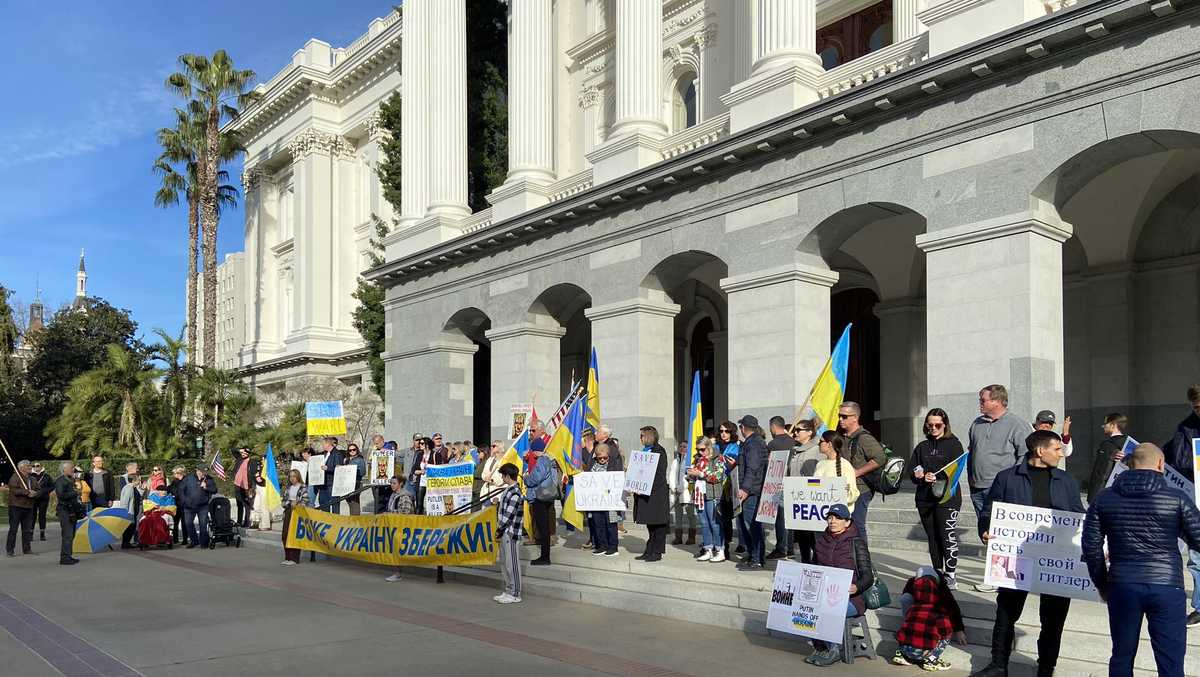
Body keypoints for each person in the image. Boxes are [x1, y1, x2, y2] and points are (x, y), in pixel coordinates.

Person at [970, 429, 1084, 677]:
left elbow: (1078, 517)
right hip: (1016, 557)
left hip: (1056, 561)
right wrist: (986, 530)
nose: (1061, 453)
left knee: (1053, 619)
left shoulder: (1067, 481)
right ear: (1040, 451)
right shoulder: (1007, 478)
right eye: (1057, 448)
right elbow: (989, 512)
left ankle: (1046, 668)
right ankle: (998, 664)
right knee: (1006, 613)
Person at [1082, 442, 1200, 677]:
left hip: (1122, 584)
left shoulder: (1104, 498)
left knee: (1122, 656)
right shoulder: (1176, 497)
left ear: (1129, 464)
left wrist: (1103, 584)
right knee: (1171, 661)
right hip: (1167, 585)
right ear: (1160, 464)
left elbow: (1091, 547)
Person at [806, 503, 875, 667]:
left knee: (828, 609)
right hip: (825, 594)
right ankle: (822, 647)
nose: (832, 521)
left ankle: (833, 650)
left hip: (852, 599)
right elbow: (814, 568)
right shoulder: (821, 541)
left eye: (837, 518)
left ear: (847, 522)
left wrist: (856, 587)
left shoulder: (856, 543)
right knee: (809, 607)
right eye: (830, 517)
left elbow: (868, 576)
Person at [909, 408, 965, 589]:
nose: (933, 428)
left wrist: (938, 477)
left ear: (945, 425)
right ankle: (937, 571)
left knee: (946, 536)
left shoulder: (953, 444)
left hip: (947, 498)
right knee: (932, 537)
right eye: (930, 424)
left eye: (937, 425)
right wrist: (919, 475)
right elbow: (912, 472)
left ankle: (951, 575)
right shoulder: (922, 447)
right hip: (925, 498)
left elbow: (955, 471)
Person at [1161, 385, 1200, 627]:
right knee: (1196, 556)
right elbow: (1172, 458)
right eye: (1196, 407)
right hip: (1194, 497)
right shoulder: (1185, 428)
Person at [892, 565, 967, 671]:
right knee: (946, 632)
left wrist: (959, 628)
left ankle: (902, 655)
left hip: (907, 647)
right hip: (924, 649)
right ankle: (931, 660)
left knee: (907, 629)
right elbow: (946, 630)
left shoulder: (912, 610)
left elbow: (952, 605)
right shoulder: (939, 611)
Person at [838, 401, 887, 543]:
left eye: (844, 416)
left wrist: (858, 472)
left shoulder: (864, 437)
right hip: (848, 489)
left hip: (861, 489)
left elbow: (880, 457)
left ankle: (863, 561)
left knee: (857, 526)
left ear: (855, 417)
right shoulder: (845, 437)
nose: (840, 419)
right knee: (847, 526)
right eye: (839, 416)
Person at [736, 415, 768, 570]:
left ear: (743, 428)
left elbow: (753, 468)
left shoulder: (754, 443)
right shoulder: (751, 442)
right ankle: (753, 554)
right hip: (750, 490)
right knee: (745, 524)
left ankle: (757, 558)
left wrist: (745, 489)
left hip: (752, 491)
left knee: (753, 525)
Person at [633, 426, 670, 562]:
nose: (640, 438)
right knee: (650, 524)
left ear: (648, 436)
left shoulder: (659, 451)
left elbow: (659, 475)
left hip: (656, 494)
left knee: (658, 525)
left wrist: (644, 486)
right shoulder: (644, 451)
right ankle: (649, 549)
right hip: (645, 494)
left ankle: (657, 552)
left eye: (642, 435)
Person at [687, 436, 726, 562]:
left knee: (714, 523)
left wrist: (701, 474)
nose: (700, 452)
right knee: (704, 523)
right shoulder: (699, 460)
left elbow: (718, 476)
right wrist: (691, 475)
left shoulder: (718, 458)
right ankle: (708, 549)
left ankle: (720, 550)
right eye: (698, 450)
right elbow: (696, 476)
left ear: (709, 447)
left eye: (703, 449)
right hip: (700, 494)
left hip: (713, 494)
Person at [789, 420, 822, 563]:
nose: (795, 432)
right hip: (798, 499)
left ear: (809, 432)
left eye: (799, 430)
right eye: (795, 430)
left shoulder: (817, 450)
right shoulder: (794, 450)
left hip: (812, 499)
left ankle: (817, 562)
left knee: (814, 536)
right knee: (802, 535)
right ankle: (805, 561)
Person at [494, 463, 525, 604]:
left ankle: (515, 593)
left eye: (502, 475)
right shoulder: (508, 491)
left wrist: (499, 528)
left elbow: (509, 514)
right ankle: (508, 590)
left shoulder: (515, 493)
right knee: (505, 564)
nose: (502, 477)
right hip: (505, 531)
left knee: (512, 564)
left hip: (511, 532)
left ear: (507, 476)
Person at [586, 441, 623, 557]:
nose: (602, 460)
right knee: (598, 523)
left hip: (610, 500)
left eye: (604, 458)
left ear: (609, 455)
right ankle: (602, 546)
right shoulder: (592, 464)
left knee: (611, 523)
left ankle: (613, 547)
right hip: (596, 500)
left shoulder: (614, 464)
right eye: (599, 458)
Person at [765, 415, 794, 560]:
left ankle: (781, 548)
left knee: (781, 519)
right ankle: (790, 547)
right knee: (789, 518)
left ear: (772, 426)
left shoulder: (773, 444)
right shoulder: (793, 442)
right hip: (792, 483)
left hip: (779, 484)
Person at [524, 438, 557, 566]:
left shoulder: (542, 460)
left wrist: (526, 478)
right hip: (548, 495)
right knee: (545, 527)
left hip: (540, 496)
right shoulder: (551, 460)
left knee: (543, 528)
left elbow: (536, 478)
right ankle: (545, 555)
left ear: (534, 450)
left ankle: (545, 557)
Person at [1086, 412, 1129, 503]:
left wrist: (1093, 496)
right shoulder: (1130, 445)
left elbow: (1101, 472)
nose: (1103, 426)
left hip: (1106, 493)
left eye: (1105, 424)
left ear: (1113, 425)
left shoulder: (1107, 445)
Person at [815, 432, 861, 507]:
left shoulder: (845, 465)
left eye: (821, 441)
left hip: (837, 513)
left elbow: (853, 494)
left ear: (829, 444)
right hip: (820, 511)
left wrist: (837, 501)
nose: (818, 444)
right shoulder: (820, 464)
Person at [716, 421, 741, 555]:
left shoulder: (736, 446)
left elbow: (735, 465)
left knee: (725, 517)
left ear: (732, 432)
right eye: (721, 431)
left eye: (727, 431)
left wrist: (732, 462)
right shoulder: (715, 445)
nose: (723, 434)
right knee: (717, 517)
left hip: (729, 487)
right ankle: (717, 545)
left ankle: (726, 545)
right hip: (714, 485)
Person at [384, 476, 415, 581]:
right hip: (394, 526)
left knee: (398, 550)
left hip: (402, 527)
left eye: (394, 483)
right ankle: (397, 572)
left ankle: (398, 573)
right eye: (391, 483)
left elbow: (405, 512)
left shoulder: (404, 497)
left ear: (400, 484)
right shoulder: (394, 495)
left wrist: (390, 514)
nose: (392, 485)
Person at [667, 440, 697, 547]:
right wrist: (673, 487)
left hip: (686, 492)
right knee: (678, 516)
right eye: (681, 446)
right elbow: (671, 475)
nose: (682, 448)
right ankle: (678, 537)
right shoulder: (675, 461)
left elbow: (688, 477)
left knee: (690, 515)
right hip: (675, 492)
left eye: (684, 446)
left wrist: (681, 488)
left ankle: (691, 537)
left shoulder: (690, 461)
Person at [5, 460, 37, 557]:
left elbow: (39, 489)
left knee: (27, 529)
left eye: (30, 465)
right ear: (22, 468)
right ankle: (10, 550)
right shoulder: (15, 477)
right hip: (16, 507)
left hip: (29, 507)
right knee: (13, 529)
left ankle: (27, 549)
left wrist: (36, 493)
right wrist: (27, 492)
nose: (30, 467)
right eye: (28, 466)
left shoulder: (32, 479)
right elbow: (14, 490)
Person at [180, 466, 218, 549]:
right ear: (197, 471)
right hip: (189, 506)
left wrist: (206, 487)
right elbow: (181, 490)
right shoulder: (188, 478)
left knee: (203, 525)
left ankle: (204, 543)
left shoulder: (209, 479)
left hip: (203, 506)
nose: (204, 474)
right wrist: (184, 501)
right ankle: (194, 541)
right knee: (188, 523)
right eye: (203, 472)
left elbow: (215, 490)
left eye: (205, 472)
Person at [54, 461, 81, 565]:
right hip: (64, 510)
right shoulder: (60, 481)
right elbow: (61, 495)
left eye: (73, 467)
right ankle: (65, 558)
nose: (73, 469)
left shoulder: (70, 479)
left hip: (71, 509)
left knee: (71, 534)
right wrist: (75, 492)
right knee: (68, 534)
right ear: (64, 469)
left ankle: (68, 555)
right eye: (71, 468)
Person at [280, 468, 308, 566]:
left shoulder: (303, 487)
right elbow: (283, 502)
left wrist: (298, 504)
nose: (292, 478)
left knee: (294, 535)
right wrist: (290, 503)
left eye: (294, 476)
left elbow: (305, 500)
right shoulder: (288, 488)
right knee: (285, 534)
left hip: (298, 512)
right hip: (288, 511)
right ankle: (288, 557)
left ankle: (295, 558)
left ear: (298, 477)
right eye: (290, 476)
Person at [231, 447, 258, 528]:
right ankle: (239, 521)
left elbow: (253, 474)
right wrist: (240, 450)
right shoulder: (239, 459)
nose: (243, 454)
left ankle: (247, 522)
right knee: (239, 504)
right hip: (238, 484)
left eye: (245, 453)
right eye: (242, 453)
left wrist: (252, 486)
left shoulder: (252, 462)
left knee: (247, 505)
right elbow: (233, 450)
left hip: (246, 486)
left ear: (248, 454)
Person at [318, 437, 345, 512]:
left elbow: (339, 469)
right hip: (324, 484)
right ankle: (327, 521)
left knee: (334, 504)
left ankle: (335, 522)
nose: (322, 446)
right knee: (323, 503)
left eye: (323, 444)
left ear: (327, 444)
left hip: (332, 484)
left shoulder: (337, 454)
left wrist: (328, 468)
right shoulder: (325, 454)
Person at [118, 474, 143, 549]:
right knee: (129, 528)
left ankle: (127, 543)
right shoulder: (129, 488)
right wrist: (125, 512)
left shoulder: (132, 487)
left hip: (131, 512)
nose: (139, 481)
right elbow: (126, 501)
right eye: (138, 480)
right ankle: (125, 543)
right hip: (129, 512)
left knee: (131, 528)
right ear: (133, 480)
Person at [165, 466, 188, 545]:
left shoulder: (186, 480)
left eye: (174, 473)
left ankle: (185, 539)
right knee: (175, 522)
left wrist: (174, 492)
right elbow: (170, 489)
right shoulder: (175, 481)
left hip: (184, 504)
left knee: (184, 523)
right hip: (176, 504)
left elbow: (182, 491)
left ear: (179, 473)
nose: (173, 474)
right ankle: (175, 539)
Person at [30, 463, 53, 542]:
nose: (36, 467)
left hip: (44, 499)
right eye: (34, 466)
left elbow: (52, 486)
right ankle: (30, 534)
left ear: (41, 467)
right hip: (33, 499)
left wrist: (43, 492)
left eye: (38, 466)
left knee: (42, 516)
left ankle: (42, 534)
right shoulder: (30, 476)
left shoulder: (47, 476)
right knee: (32, 516)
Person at [342, 443, 368, 515]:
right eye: (350, 450)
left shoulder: (360, 459)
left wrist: (354, 471)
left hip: (356, 482)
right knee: (349, 502)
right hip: (347, 483)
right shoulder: (346, 460)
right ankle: (352, 519)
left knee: (355, 502)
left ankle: (356, 520)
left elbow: (363, 472)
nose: (352, 451)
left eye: (354, 449)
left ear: (357, 450)